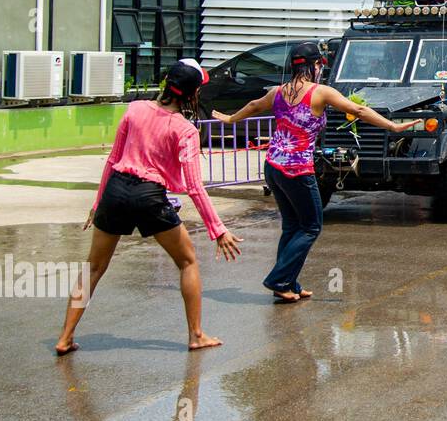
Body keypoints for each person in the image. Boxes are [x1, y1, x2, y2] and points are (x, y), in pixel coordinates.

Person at [55, 59, 242, 355]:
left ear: (167, 83)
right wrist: (217, 229)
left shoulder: (135, 109)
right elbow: (194, 186)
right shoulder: (185, 130)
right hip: (149, 196)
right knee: (187, 262)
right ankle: (196, 335)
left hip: (116, 189)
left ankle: (65, 337)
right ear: (193, 95)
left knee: (93, 267)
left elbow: (113, 159)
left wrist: (97, 204)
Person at [213, 43, 423, 301]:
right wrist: (392, 126)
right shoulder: (320, 92)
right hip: (297, 170)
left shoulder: (278, 91)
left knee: (292, 226)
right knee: (311, 227)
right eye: (320, 65)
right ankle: (278, 278)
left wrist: (230, 119)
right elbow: (357, 110)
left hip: (273, 167)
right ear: (315, 65)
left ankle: (287, 284)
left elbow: (255, 105)